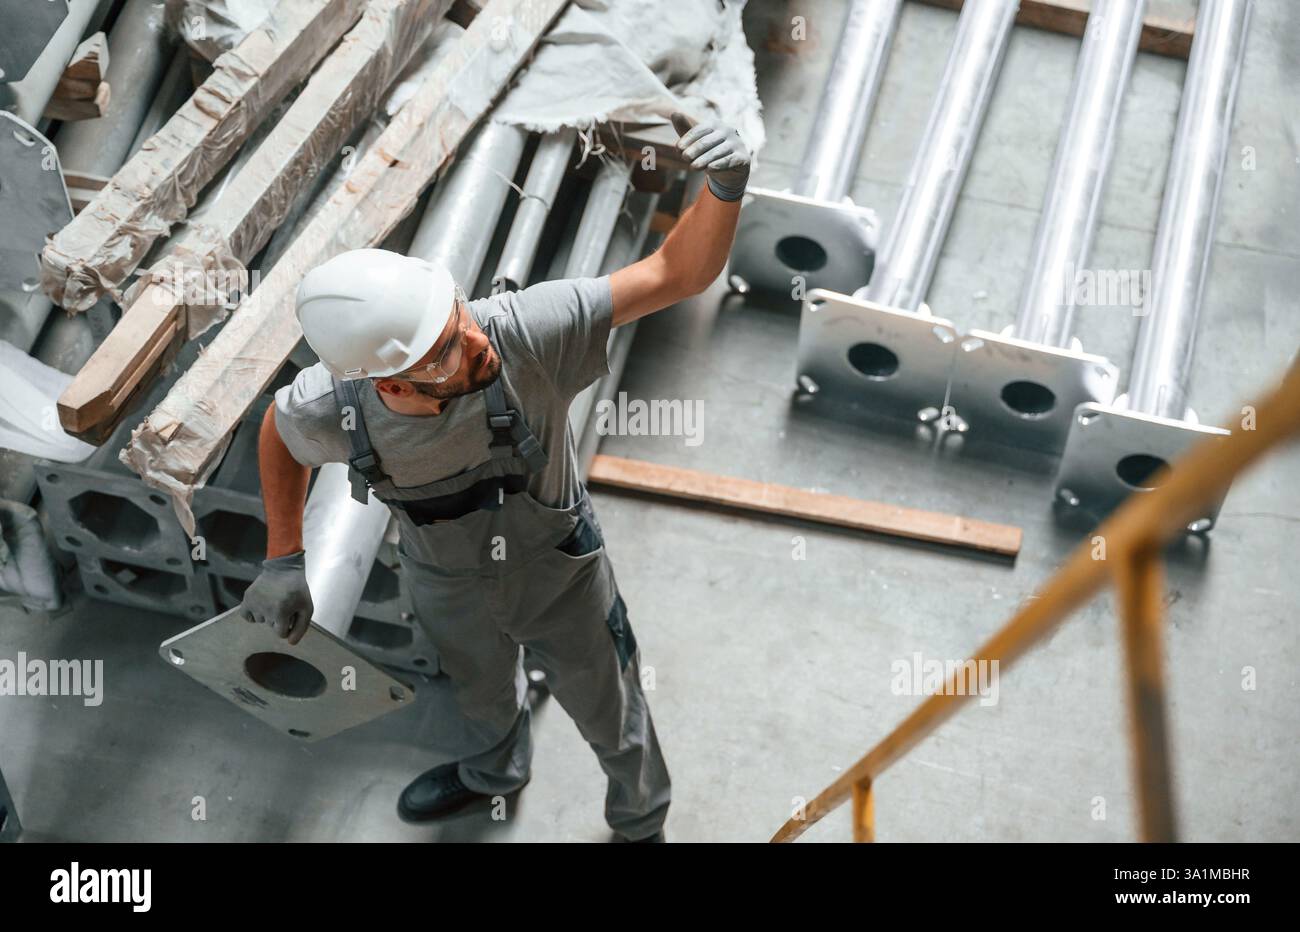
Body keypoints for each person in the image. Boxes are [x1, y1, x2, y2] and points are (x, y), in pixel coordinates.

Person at [238, 116, 749, 842]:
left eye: (458, 318)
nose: (473, 340)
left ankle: (640, 821)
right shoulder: (336, 407)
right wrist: (283, 559)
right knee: (478, 691)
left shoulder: (524, 333)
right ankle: (494, 775)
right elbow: (277, 433)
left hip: (558, 574)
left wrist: (725, 187)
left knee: (611, 706)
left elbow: (676, 274)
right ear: (387, 384)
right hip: (443, 579)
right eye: (444, 351)